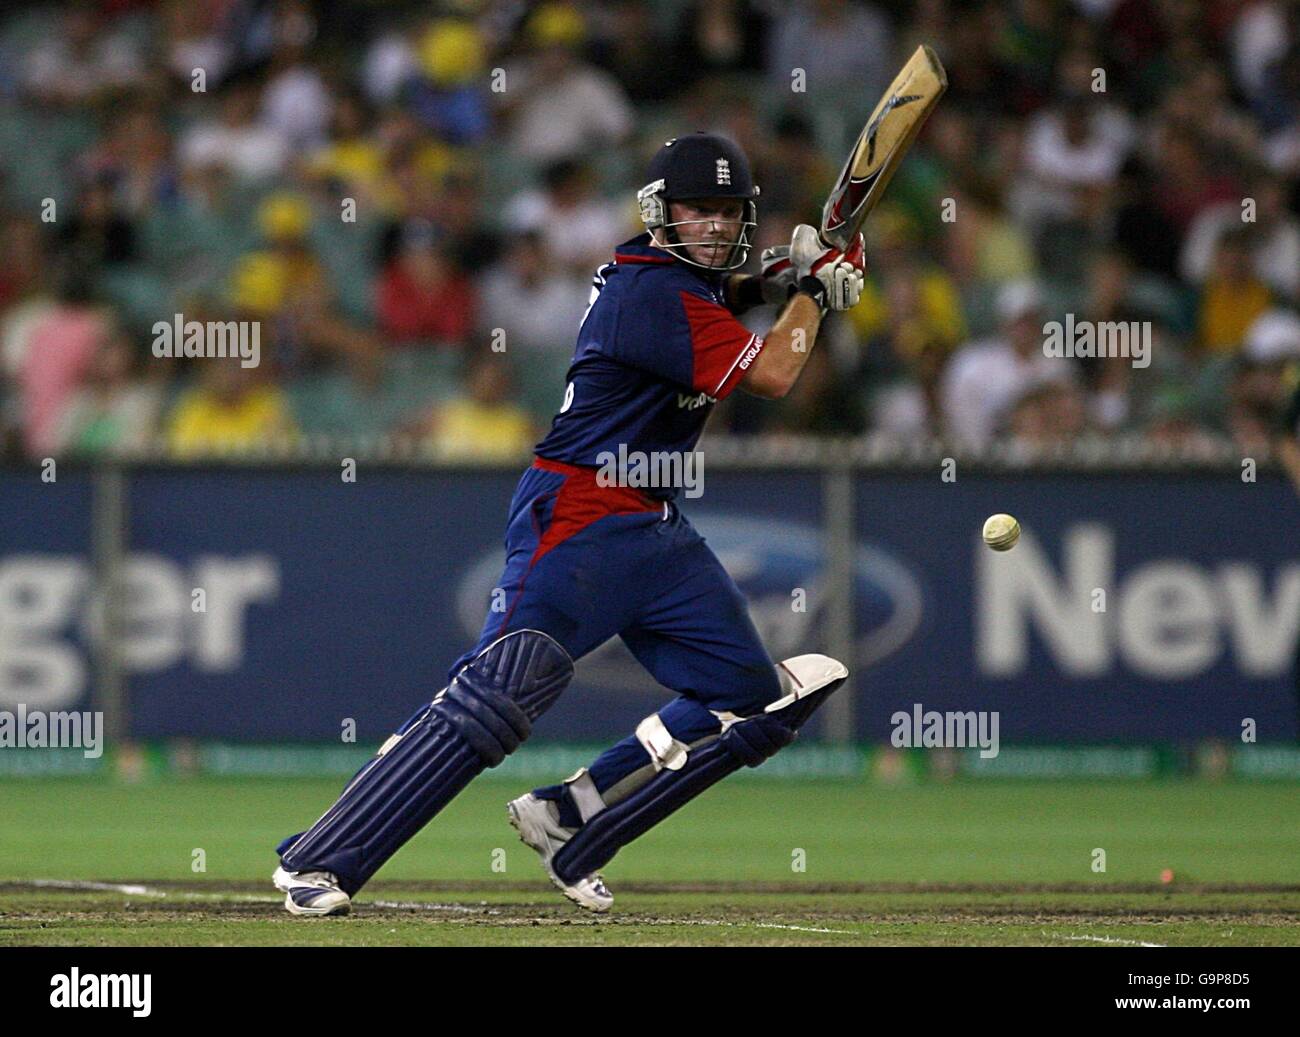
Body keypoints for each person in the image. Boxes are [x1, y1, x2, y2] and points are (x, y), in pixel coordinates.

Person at [271, 132, 866, 915]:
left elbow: (722, 298)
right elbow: (777, 372)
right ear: (661, 213)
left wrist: (786, 278)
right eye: (700, 210)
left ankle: (572, 816)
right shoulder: (652, 291)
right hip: (581, 510)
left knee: (751, 701)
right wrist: (813, 294)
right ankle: (318, 859)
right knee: (499, 693)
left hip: (652, 520)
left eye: (730, 212)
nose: (717, 226)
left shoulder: (677, 281)